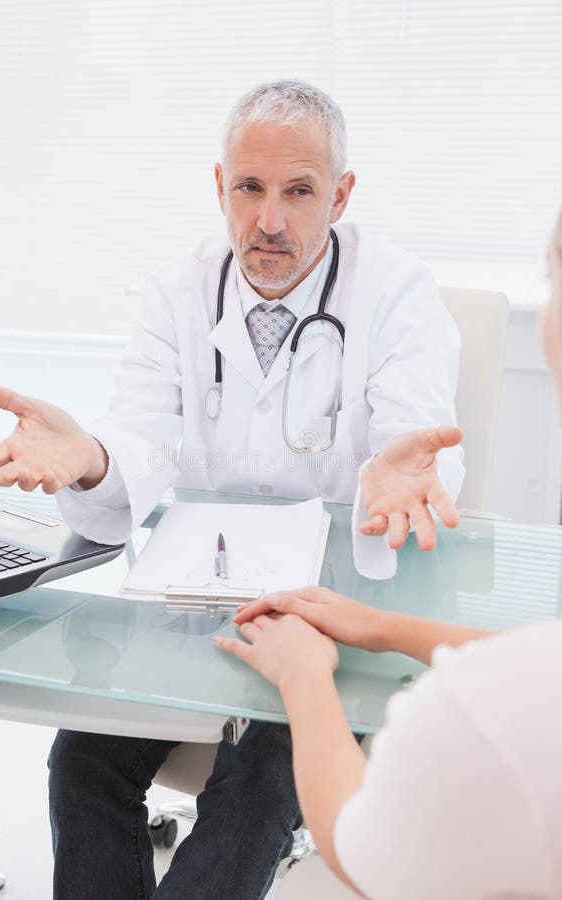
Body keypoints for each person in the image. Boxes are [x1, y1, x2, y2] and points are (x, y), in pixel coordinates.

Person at [0, 81, 465, 899]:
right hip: (184, 604)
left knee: (261, 789)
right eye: (250, 188)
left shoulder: (398, 295)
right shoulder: (176, 292)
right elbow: (138, 436)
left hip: (319, 613)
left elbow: (416, 447)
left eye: (299, 192)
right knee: (79, 761)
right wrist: (91, 457)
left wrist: (397, 476)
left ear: (339, 194)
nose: (269, 221)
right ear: (219, 185)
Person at [218, 212, 562, 898]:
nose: (272, 219)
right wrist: (390, 629)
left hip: (317, 643)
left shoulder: (479, 716)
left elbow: (363, 848)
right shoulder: (190, 282)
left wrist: (306, 677)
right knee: (83, 757)